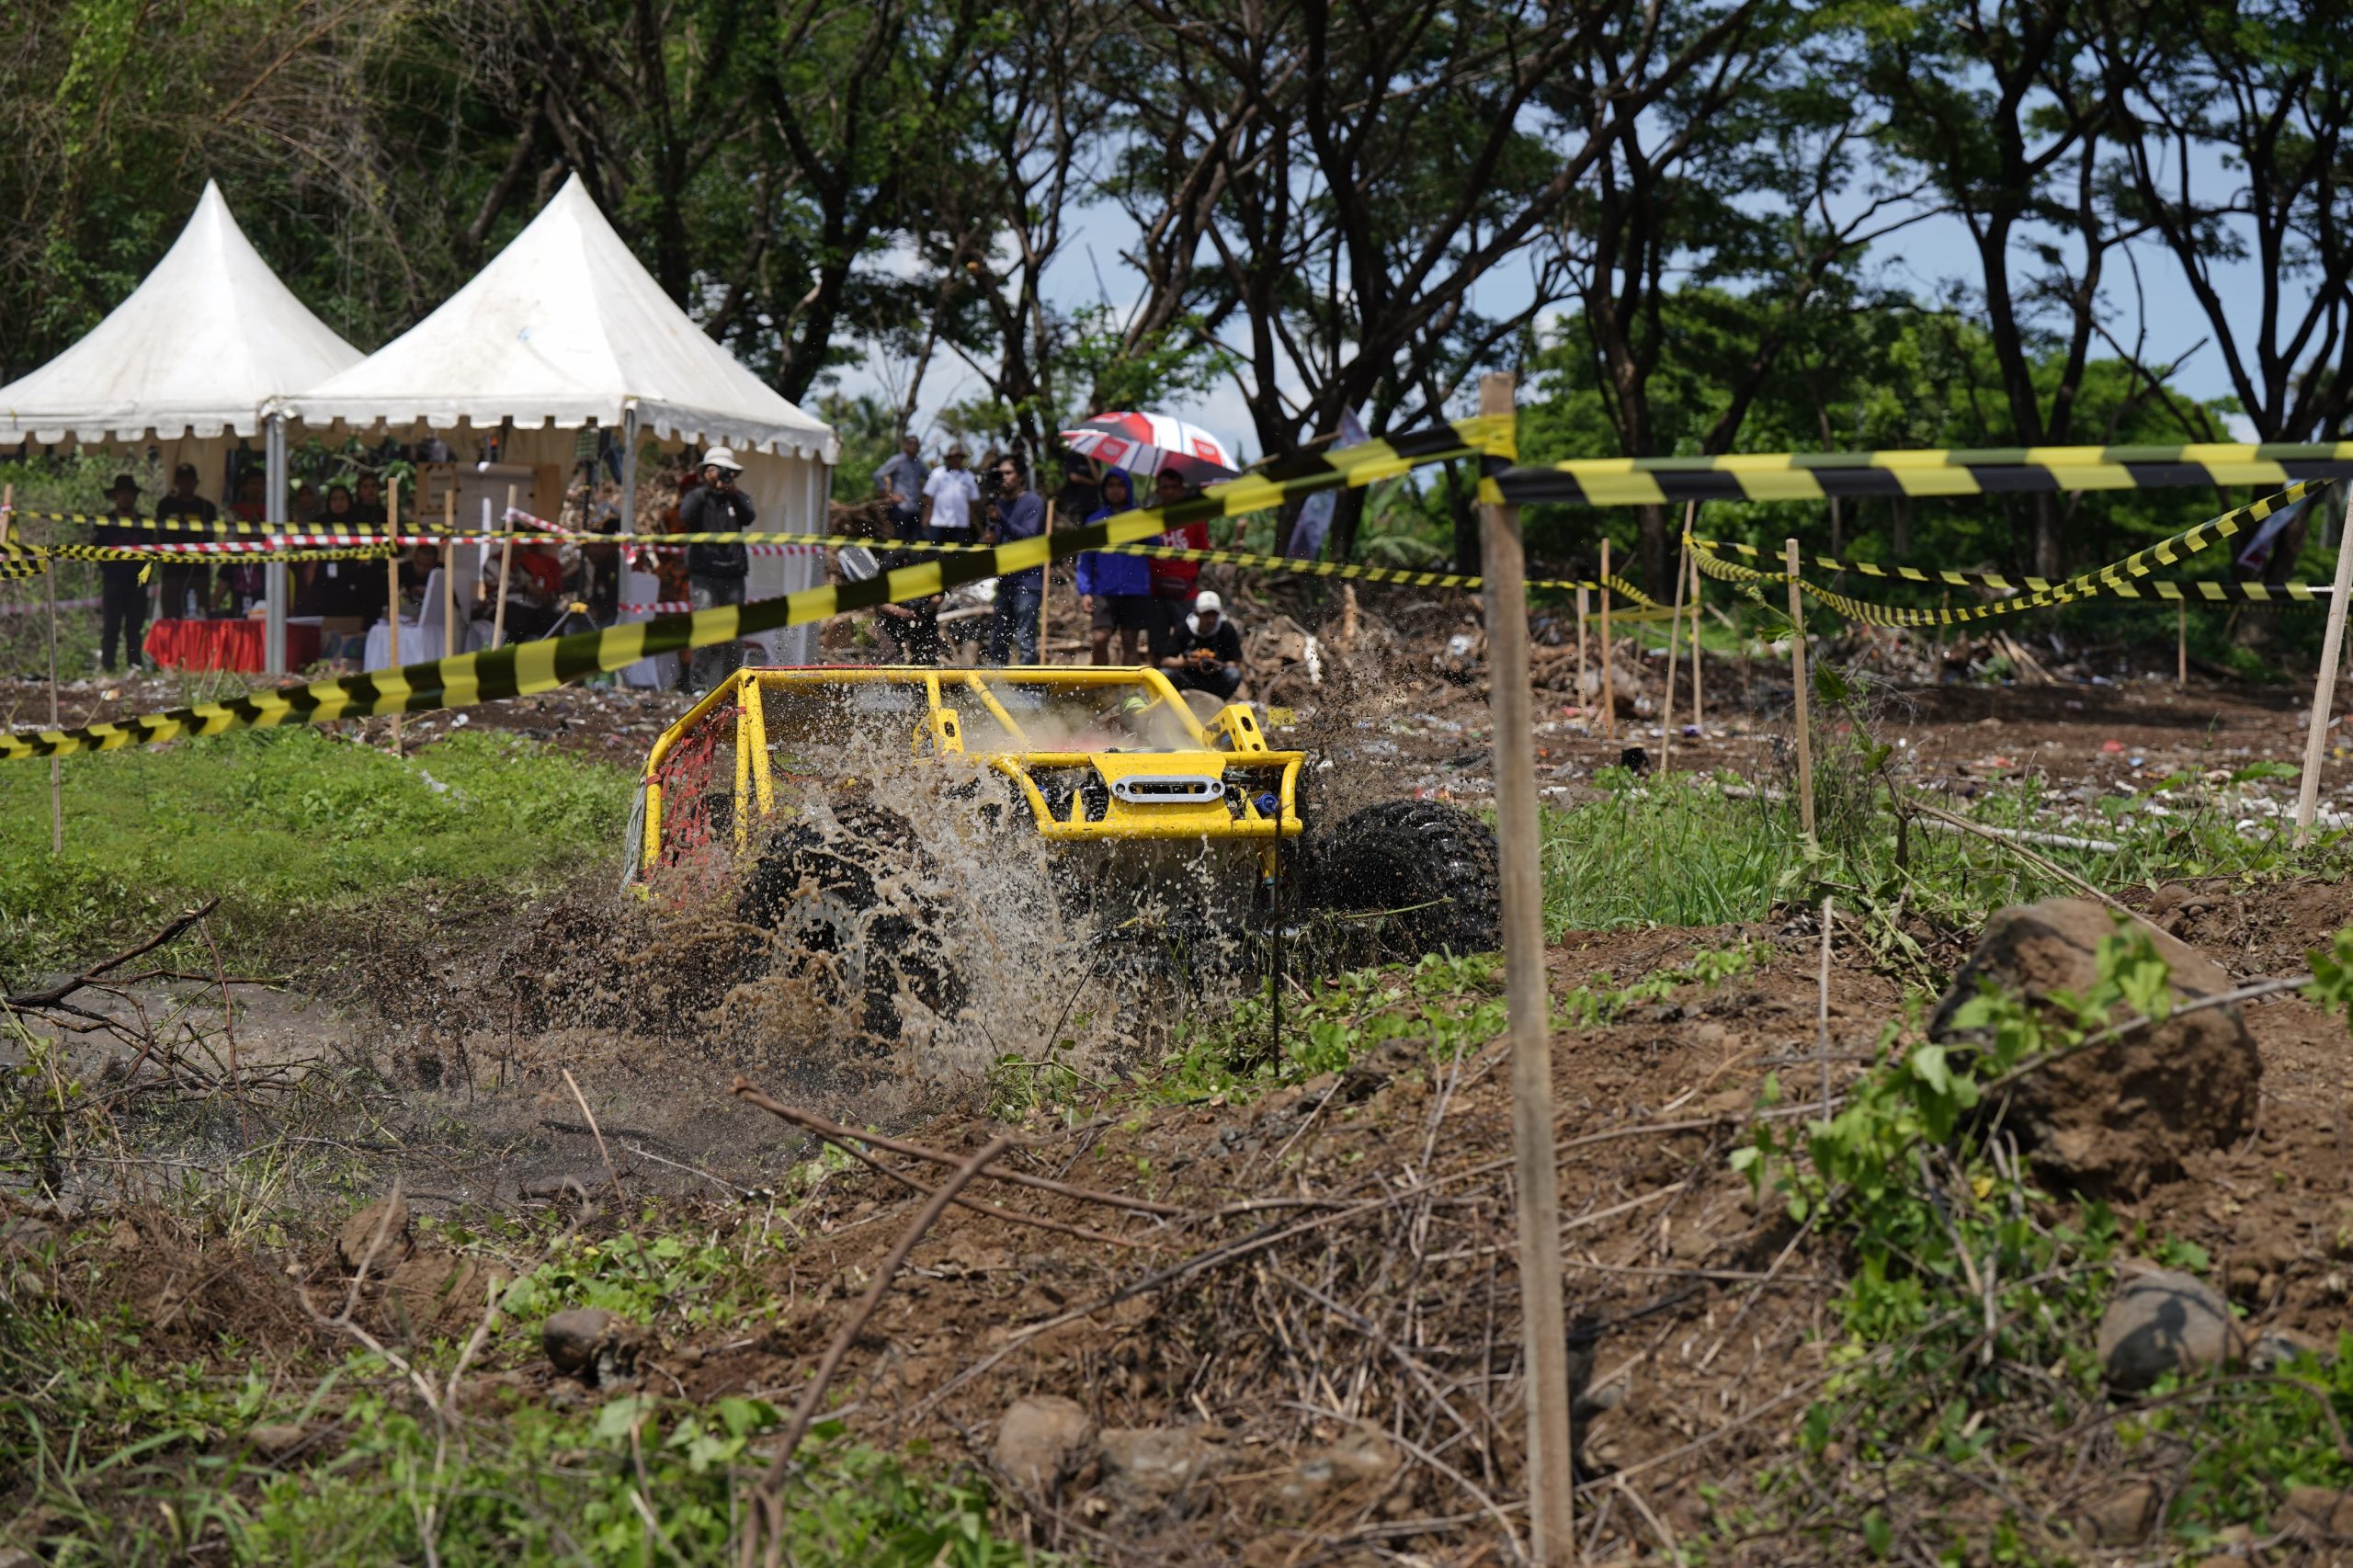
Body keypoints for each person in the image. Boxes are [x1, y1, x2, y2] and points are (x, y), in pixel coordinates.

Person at [679, 445, 756, 689]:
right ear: (707, 472)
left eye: (727, 472)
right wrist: (708, 488)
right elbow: (685, 514)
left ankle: (730, 686)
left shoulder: (738, 498)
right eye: (718, 471)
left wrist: (732, 492)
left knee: (734, 633)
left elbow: (749, 516)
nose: (723, 476)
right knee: (704, 628)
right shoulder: (696, 497)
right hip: (704, 573)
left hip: (733, 573)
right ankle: (698, 685)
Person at [1074, 468, 1154, 665]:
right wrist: (1085, 591)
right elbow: (1086, 559)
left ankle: (1127, 692)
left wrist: (1147, 522)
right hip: (1104, 591)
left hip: (1134, 590)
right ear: (1104, 489)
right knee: (1100, 639)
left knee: (1130, 642)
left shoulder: (1140, 518)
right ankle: (1100, 689)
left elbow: (1156, 546)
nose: (1115, 490)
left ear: (1128, 488)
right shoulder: (1095, 521)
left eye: (1120, 485)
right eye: (1110, 485)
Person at [983, 458, 1047, 665]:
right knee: (998, 640)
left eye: (1008, 473)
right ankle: (996, 690)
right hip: (1005, 581)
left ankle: (1028, 692)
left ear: (1020, 477)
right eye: (999, 474)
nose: (1003, 478)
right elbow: (995, 542)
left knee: (1025, 641)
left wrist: (1000, 518)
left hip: (1028, 581)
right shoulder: (998, 504)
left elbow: (1028, 536)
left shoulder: (1033, 502)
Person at [1146, 467, 1210, 660]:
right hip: (1156, 591)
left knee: (1188, 643)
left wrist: (1188, 576)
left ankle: (1183, 686)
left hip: (1186, 592)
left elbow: (1202, 553)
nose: (1169, 491)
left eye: (1174, 487)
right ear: (1157, 490)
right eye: (1164, 487)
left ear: (1182, 490)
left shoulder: (1194, 518)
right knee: (1157, 645)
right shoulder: (1148, 519)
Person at [94, 475, 148, 672]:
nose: (126, 498)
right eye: (121, 494)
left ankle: (135, 665)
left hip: (138, 582)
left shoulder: (144, 523)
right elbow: (96, 550)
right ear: (115, 496)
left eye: (129, 494)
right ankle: (108, 666)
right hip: (113, 581)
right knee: (111, 627)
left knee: (134, 628)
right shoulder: (104, 522)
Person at [153, 462, 219, 619]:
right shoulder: (165, 505)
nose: (186, 484)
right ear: (175, 482)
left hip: (199, 572)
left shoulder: (206, 507)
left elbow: (210, 538)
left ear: (196, 483)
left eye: (189, 480)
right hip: (172, 571)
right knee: (171, 618)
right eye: (182, 480)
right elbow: (160, 536)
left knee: (200, 616)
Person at [1157, 588, 1244, 700]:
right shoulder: (1185, 628)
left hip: (1216, 679)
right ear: (1197, 613)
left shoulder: (1226, 629)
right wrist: (1186, 663)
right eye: (1206, 614)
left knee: (1233, 674)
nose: (1210, 619)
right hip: (1187, 678)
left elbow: (1235, 661)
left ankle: (1218, 703)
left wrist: (1217, 665)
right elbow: (1165, 661)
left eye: (1214, 614)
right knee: (1164, 674)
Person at [220, 471, 268, 615]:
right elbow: (232, 539)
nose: (257, 487)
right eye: (253, 483)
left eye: (260, 483)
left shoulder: (272, 509)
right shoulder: (234, 511)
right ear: (244, 487)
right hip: (239, 561)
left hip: (264, 561)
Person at [919, 444, 980, 546]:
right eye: (953, 457)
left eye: (958, 456)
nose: (955, 459)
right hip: (938, 522)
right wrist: (926, 518)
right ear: (948, 458)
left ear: (962, 458)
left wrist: (969, 519)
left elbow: (973, 500)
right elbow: (929, 497)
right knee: (934, 552)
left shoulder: (969, 477)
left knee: (957, 556)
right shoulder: (938, 473)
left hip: (960, 523)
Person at [875, 434, 928, 541]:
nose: (913, 446)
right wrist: (890, 496)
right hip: (901, 508)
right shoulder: (897, 460)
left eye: (916, 444)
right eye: (910, 443)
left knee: (916, 543)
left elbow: (931, 477)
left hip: (915, 508)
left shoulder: (919, 463)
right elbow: (877, 475)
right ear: (905, 445)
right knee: (899, 542)